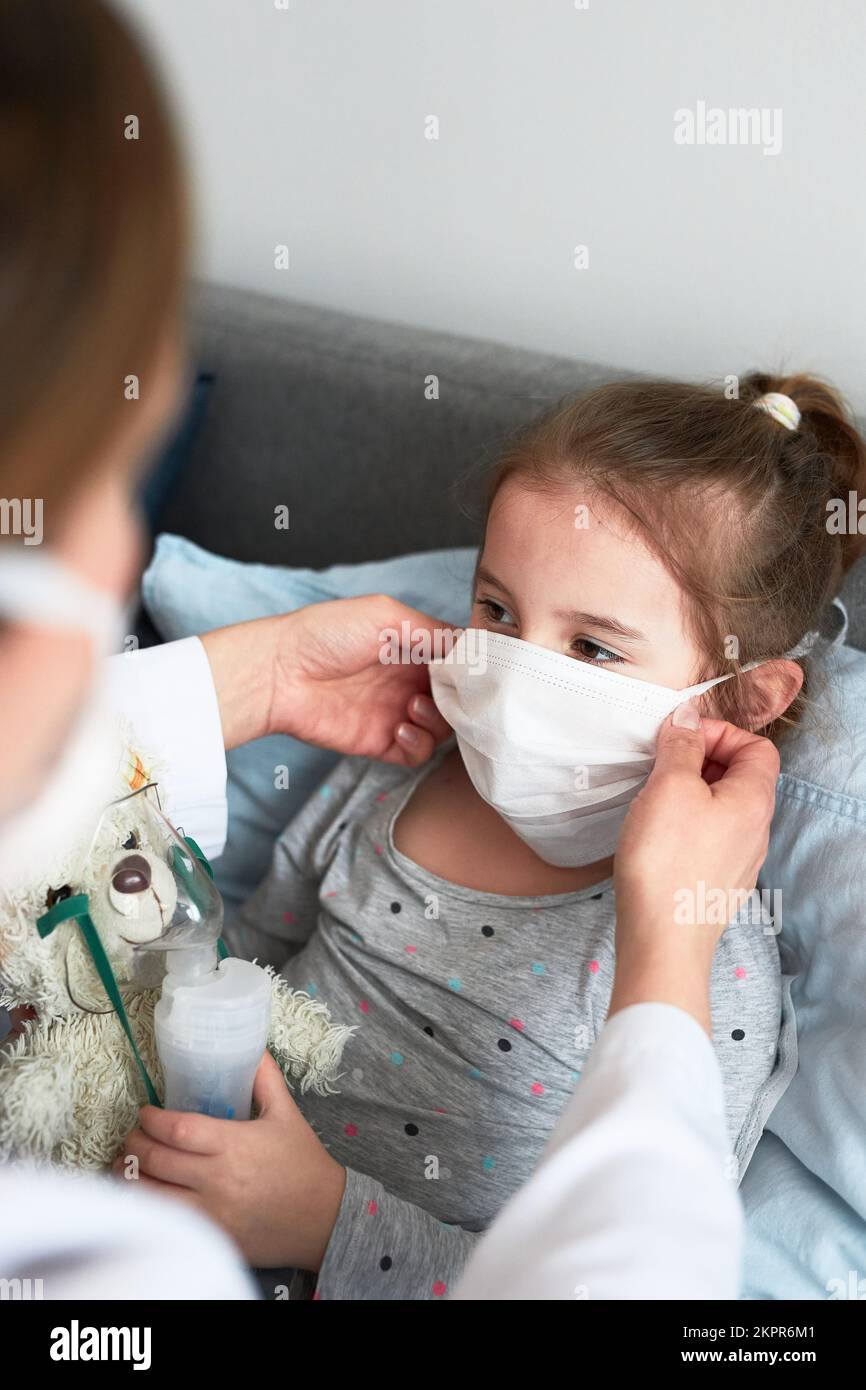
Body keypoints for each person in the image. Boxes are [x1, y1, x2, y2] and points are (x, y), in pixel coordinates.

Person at [0, 0, 788, 1300]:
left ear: (745, 696)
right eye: (491, 610)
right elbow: (244, 957)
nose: (514, 670)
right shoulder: (389, 784)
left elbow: (659, 1251)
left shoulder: (701, 955)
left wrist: (321, 1222)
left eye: (593, 645)